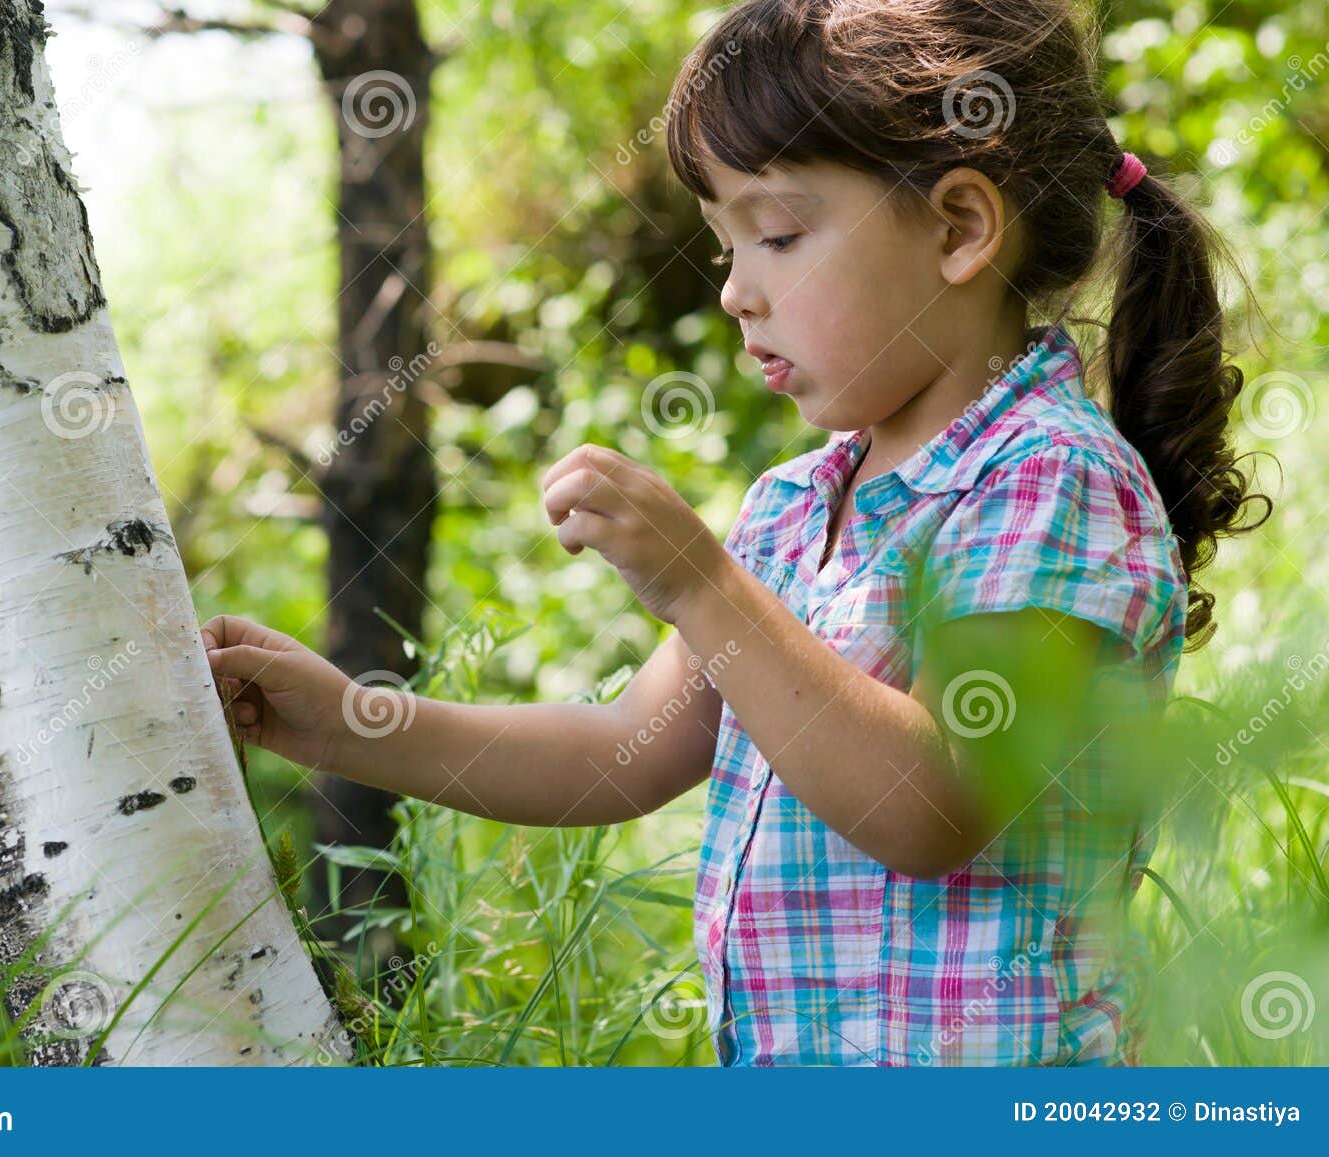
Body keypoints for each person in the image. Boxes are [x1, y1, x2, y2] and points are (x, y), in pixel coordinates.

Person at [203, 0, 1270, 1066]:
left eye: (778, 234)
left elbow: (939, 803)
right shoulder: (792, 508)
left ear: (958, 228)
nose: (733, 292)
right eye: (724, 244)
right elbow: (610, 756)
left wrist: (701, 582)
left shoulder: (1049, 477)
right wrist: (347, 724)